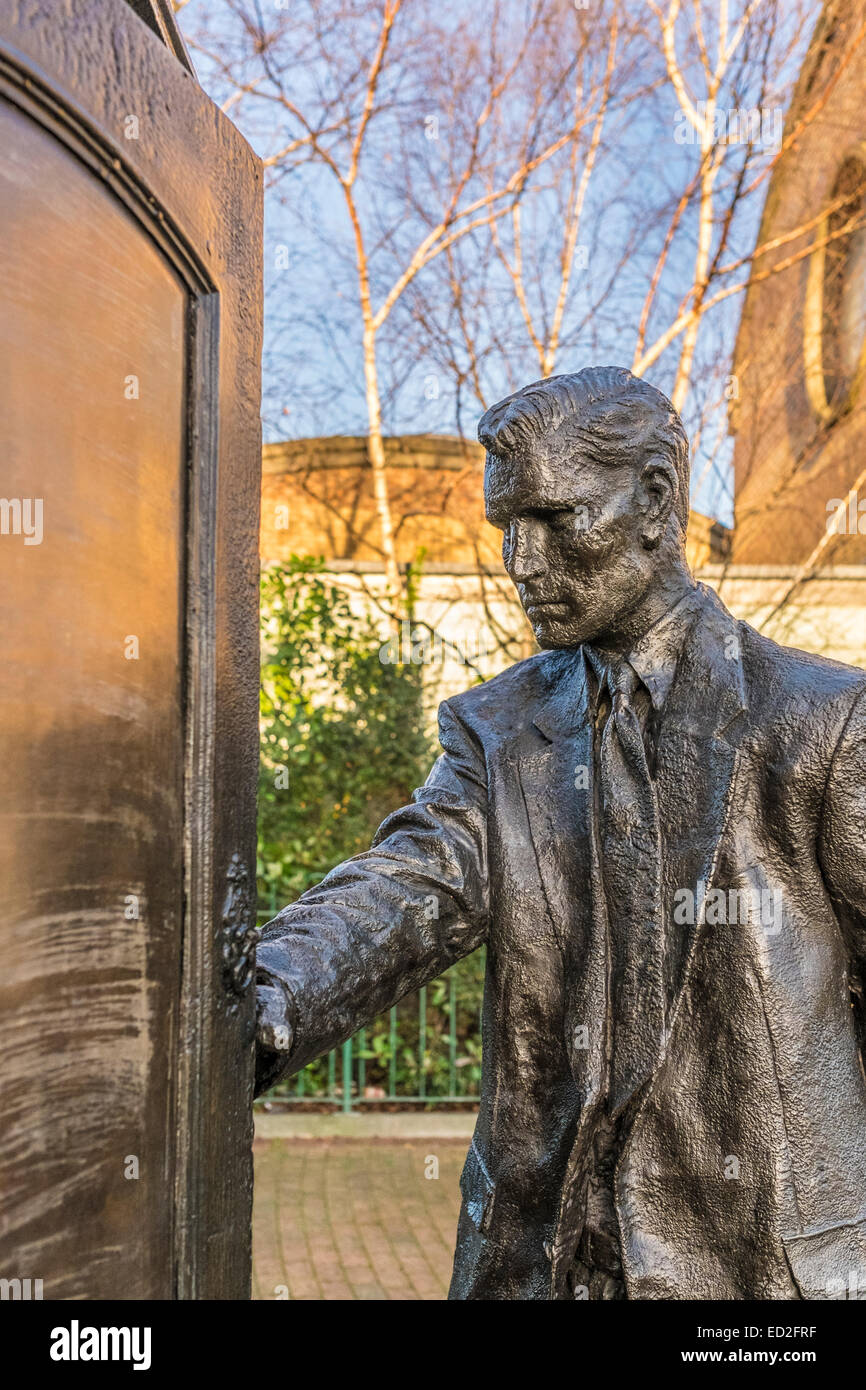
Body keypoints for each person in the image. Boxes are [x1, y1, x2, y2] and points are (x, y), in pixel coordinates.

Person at [255, 366, 866, 1300]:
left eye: (554, 518)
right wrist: (255, 1004)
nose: (522, 563)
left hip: (762, 1286)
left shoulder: (823, 726)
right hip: (533, 1269)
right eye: (508, 527)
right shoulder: (497, 736)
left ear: (656, 499)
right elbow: (404, 886)